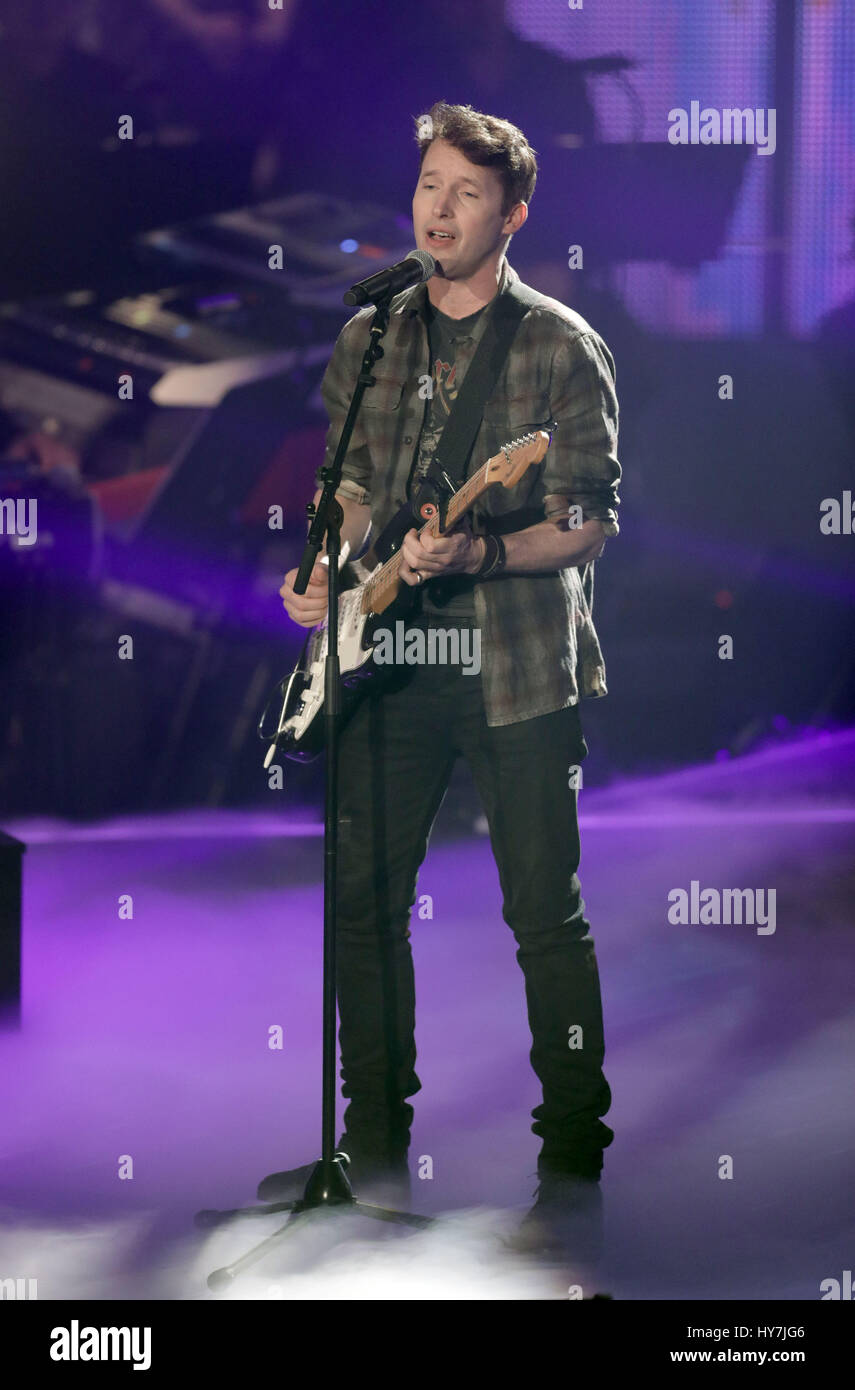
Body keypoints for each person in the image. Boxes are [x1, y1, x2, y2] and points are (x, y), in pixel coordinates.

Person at [262, 102, 620, 1219]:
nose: (440, 209)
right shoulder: (372, 338)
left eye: (467, 193)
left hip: (517, 667)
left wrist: (484, 545)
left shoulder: (561, 344)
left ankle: (571, 1147)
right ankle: (369, 1143)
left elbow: (590, 518)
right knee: (361, 904)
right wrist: (328, 564)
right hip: (393, 657)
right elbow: (355, 486)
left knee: (541, 911)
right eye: (428, 186)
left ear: (511, 216)